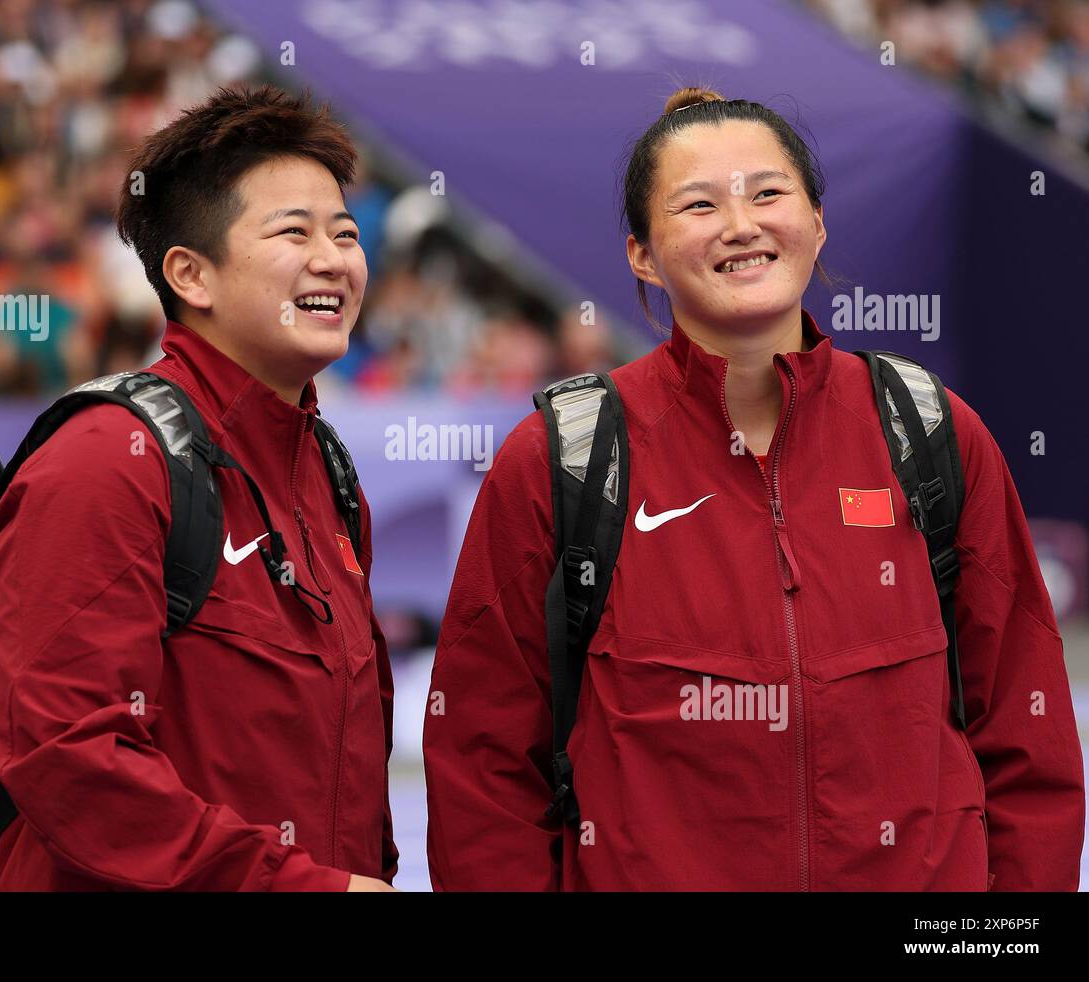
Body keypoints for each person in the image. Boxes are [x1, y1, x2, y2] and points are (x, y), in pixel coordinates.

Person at [422, 87, 1084, 891]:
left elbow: (1026, 738)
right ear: (640, 253)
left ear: (817, 221)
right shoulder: (563, 460)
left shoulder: (931, 433)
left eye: (769, 193)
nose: (741, 225)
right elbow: (483, 771)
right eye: (698, 204)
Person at [0, 85, 396, 890]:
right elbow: (67, 758)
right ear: (190, 275)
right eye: (293, 233)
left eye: (344, 232)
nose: (335, 258)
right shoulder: (106, 458)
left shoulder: (329, 477)